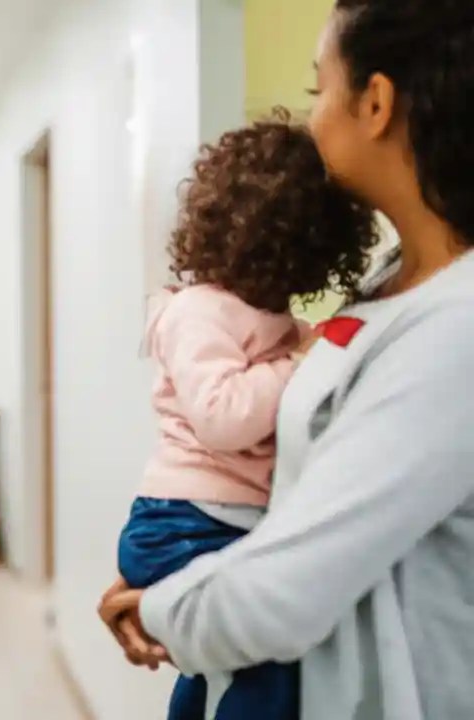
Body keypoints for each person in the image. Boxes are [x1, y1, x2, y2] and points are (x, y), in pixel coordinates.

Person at [100, 1, 474, 717]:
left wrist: (155, 611)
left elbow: (290, 591)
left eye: (316, 91)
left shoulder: (454, 331)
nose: (309, 123)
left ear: (375, 103)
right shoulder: (382, 287)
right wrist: (175, 593)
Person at [118, 116, 376, 720]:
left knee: (231, 669)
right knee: (267, 672)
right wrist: (300, 359)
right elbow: (223, 417)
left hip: (224, 522)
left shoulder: (275, 319)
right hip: (185, 524)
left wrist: (308, 349)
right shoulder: (198, 311)